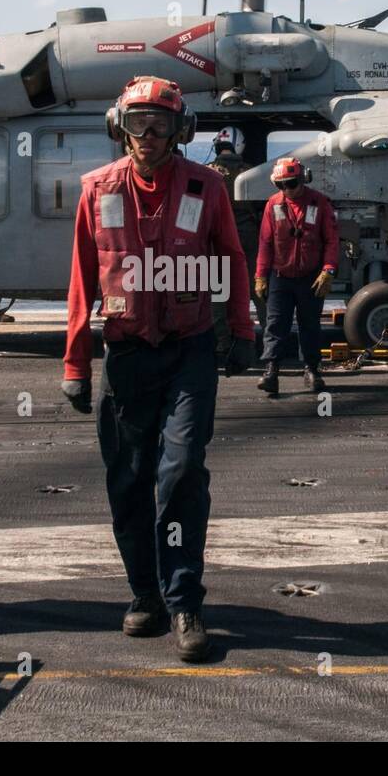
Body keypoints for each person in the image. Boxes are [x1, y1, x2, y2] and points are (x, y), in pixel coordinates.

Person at [61, 76, 254, 663]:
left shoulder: (206, 187)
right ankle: (144, 593)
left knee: (182, 470)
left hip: (189, 351)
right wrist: (75, 361)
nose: (147, 135)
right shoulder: (96, 189)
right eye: (138, 122)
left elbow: (231, 260)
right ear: (119, 125)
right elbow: (80, 278)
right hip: (125, 357)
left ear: (180, 130)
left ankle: (184, 601)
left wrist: (242, 331)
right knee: (129, 480)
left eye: (161, 124)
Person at [255, 156, 339, 396]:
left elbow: (331, 240)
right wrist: (261, 275)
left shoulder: (319, 203)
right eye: (281, 185)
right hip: (280, 276)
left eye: (291, 183)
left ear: (303, 179)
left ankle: (312, 369)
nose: (287, 189)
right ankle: (271, 371)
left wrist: (328, 270)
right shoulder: (273, 205)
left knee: (310, 325)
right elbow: (265, 242)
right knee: (275, 325)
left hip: (311, 277)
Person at [209, 126, 267, 353]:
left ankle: (222, 345)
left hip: (216, 240)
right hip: (247, 238)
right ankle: (272, 346)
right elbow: (263, 210)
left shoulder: (207, 173)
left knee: (217, 293)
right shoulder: (252, 173)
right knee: (258, 291)